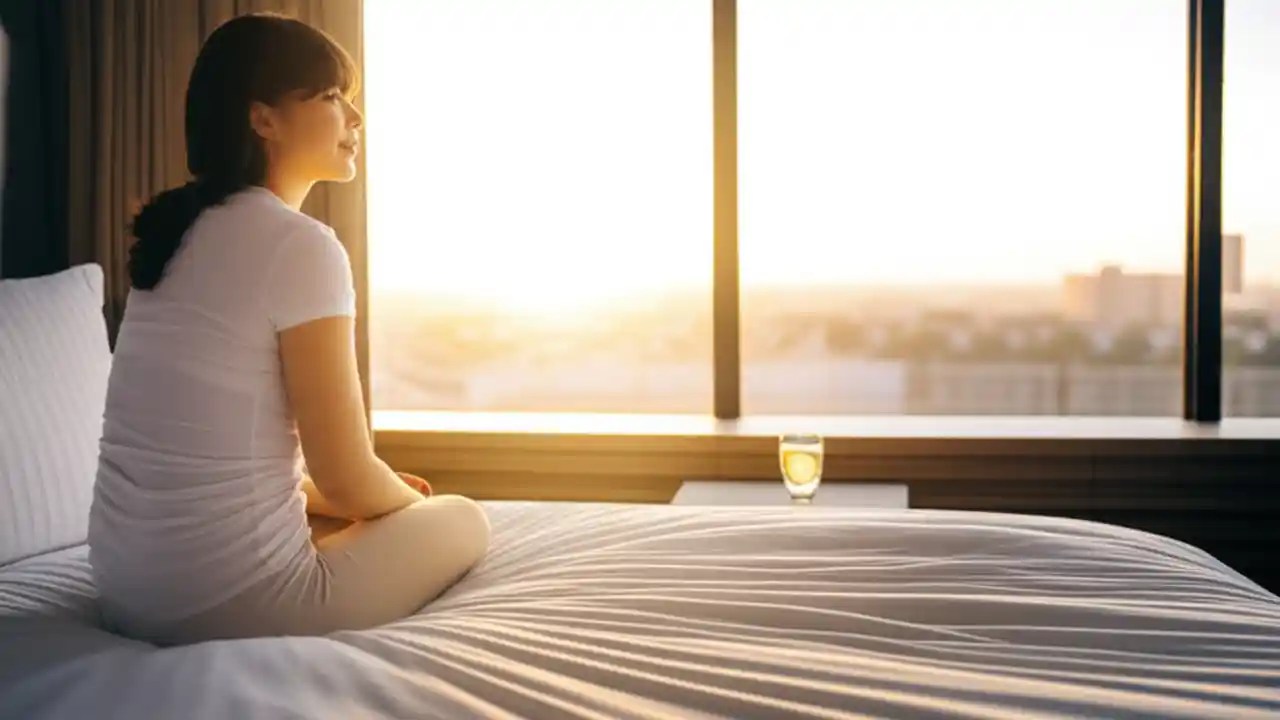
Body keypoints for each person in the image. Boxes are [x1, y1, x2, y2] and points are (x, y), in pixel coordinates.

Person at [88, 13, 490, 646]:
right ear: (263, 118)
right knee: (464, 521)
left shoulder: (177, 235)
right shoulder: (301, 247)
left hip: (125, 591)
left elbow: (205, 454)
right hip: (229, 605)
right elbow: (347, 476)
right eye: (332, 98)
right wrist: (405, 510)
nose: (354, 120)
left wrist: (349, 500)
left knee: (358, 512)